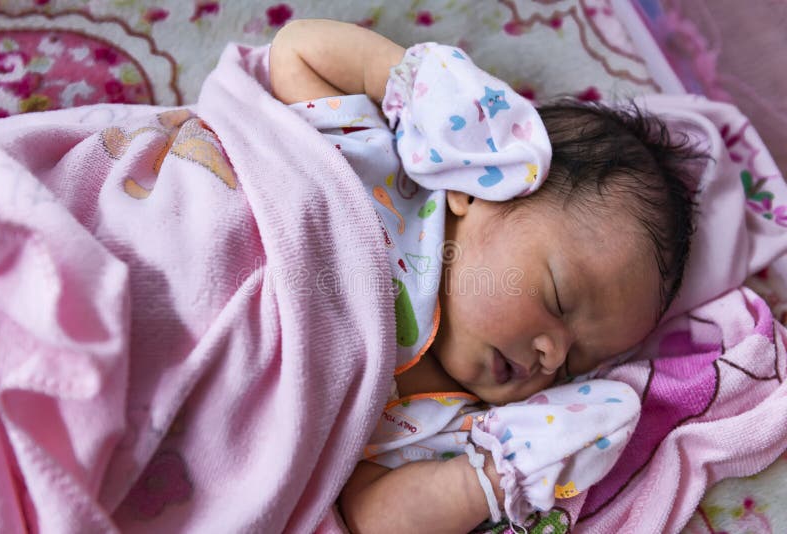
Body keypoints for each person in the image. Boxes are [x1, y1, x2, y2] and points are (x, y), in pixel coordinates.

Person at [269, 19, 700, 533]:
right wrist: (431, 96)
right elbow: (297, 53)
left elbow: (367, 519)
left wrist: (494, 479)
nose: (553, 356)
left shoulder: (454, 424)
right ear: (480, 185)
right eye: (559, 299)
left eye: (575, 365)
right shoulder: (381, 177)